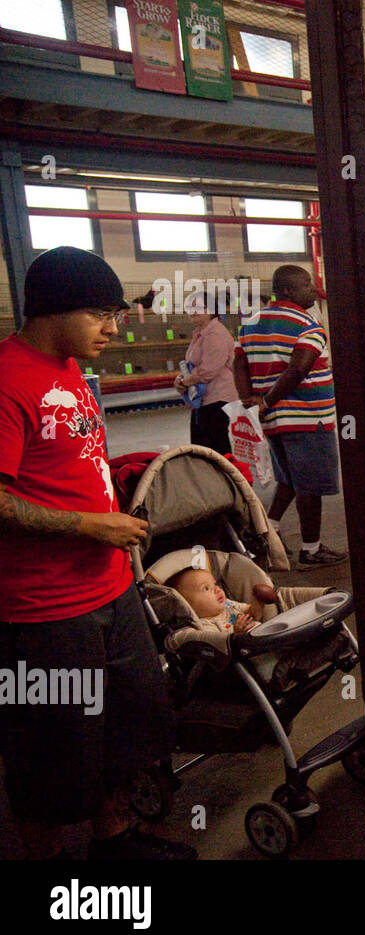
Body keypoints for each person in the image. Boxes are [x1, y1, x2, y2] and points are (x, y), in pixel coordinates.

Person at [0, 246, 194, 860]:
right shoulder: (7, 379)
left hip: (110, 590)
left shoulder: (68, 368)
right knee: (49, 753)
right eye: (101, 314)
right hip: (43, 610)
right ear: (54, 311)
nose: (115, 328)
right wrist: (90, 526)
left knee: (121, 731)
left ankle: (114, 841)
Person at [234, 265, 347, 569]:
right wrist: (267, 400)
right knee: (310, 487)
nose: (312, 289)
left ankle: (269, 529)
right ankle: (311, 549)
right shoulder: (308, 325)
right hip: (308, 417)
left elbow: (240, 364)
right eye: (306, 285)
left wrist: (251, 401)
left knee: (289, 479)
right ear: (287, 291)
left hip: (272, 421)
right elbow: (299, 368)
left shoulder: (251, 323)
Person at [174, 301, 237, 456]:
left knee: (216, 447)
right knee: (201, 445)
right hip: (203, 399)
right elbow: (192, 364)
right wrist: (181, 379)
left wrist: (185, 382)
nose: (193, 311)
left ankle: (225, 479)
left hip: (218, 398)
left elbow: (208, 370)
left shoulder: (216, 334)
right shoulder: (201, 332)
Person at [167, 567, 262, 641]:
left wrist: (258, 602)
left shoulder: (228, 604)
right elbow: (223, 647)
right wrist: (236, 634)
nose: (217, 589)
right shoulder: (204, 628)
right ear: (187, 606)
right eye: (206, 588)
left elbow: (252, 614)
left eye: (215, 584)